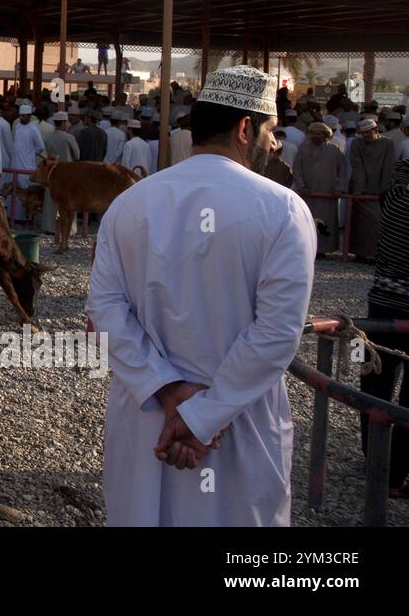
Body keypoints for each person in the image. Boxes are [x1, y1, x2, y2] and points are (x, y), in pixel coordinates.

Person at [86, 64, 316, 526]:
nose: (275, 144)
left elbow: (104, 310)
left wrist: (169, 392)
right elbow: (275, 335)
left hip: (149, 418)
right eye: (272, 130)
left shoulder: (130, 203)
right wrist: (203, 416)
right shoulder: (283, 209)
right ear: (246, 127)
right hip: (239, 425)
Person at [360, 158, 409, 497]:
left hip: (382, 303)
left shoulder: (392, 197)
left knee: (372, 383)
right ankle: (395, 475)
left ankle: (374, 458)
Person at [292, 121, 346, 256]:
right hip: (307, 194)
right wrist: (302, 186)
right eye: (313, 133)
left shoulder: (335, 150)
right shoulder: (302, 149)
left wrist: (339, 188)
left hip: (327, 194)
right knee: (306, 221)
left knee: (325, 221)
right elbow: (297, 170)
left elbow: (343, 172)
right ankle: (306, 248)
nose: (316, 136)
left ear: (326, 135)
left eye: (319, 134)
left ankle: (322, 250)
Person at [349, 119, 398, 261]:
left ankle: (377, 254)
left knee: (378, 222)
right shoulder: (357, 143)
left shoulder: (388, 144)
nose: (365, 135)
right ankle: (360, 253)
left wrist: (383, 189)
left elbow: (388, 167)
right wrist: (360, 189)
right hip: (360, 189)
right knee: (359, 224)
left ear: (376, 130)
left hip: (380, 190)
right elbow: (357, 166)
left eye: (367, 132)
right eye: (362, 133)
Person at [41, 111, 80, 233]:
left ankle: (50, 227)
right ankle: (68, 229)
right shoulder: (69, 138)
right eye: (66, 121)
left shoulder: (47, 137)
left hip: (52, 172)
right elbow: (77, 155)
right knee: (68, 201)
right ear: (63, 122)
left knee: (50, 200)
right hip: (67, 173)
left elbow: (44, 154)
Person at [9, 103, 45, 222]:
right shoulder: (18, 126)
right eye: (21, 116)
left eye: (25, 116)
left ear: (29, 116)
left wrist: (30, 153)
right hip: (16, 162)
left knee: (26, 192)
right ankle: (15, 216)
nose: (22, 118)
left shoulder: (34, 129)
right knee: (16, 189)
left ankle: (26, 218)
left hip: (27, 164)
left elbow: (40, 146)